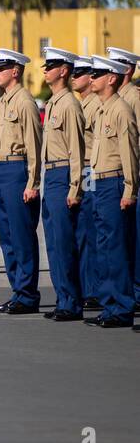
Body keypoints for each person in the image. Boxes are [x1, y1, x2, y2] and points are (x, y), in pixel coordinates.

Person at [84, 55, 137, 328]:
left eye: (98, 74)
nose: (92, 78)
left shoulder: (121, 110)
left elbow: (129, 154)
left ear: (112, 78)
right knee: (103, 246)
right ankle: (109, 305)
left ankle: (122, 307)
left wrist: (130, 189)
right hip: (99, 182)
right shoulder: (104, 109)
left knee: (115, 247)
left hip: (115, 183)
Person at [0, 48, 43, 314]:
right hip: (0, 170)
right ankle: (17, 291)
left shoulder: (24, 101)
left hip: (16, 170)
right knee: (7, 237)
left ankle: (27, 294)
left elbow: (34, 145)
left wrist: (33, 182)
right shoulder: (0, 104)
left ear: (16, 70)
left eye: (2, 67)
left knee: (22, 236)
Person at [40, 48, 86, 320]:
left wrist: (75, 186)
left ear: (64, 70)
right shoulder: (54, 103)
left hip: (64, 174)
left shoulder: (69, 104)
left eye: (51, 65)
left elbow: (77, 151)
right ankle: (63, 298)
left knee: (65, 242)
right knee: (54, 243)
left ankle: (72, 302)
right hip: (51, 175)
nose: (46, 69)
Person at [105, 47, 140, 307]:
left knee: (132, 237)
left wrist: (132, 184)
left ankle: (135, 292)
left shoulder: (133, 99)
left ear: (126, 70)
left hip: (130, 174)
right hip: (118, 174)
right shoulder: (115, 100)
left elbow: (133, 144)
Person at [71, 56, 102, 307]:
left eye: (79, 73)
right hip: (81, 171)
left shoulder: (94, 105)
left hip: (90, 170)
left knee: (91, 230)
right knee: (81, 230)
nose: (74, 78)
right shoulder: (81, 104)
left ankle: (94, 289)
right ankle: (86, 286)